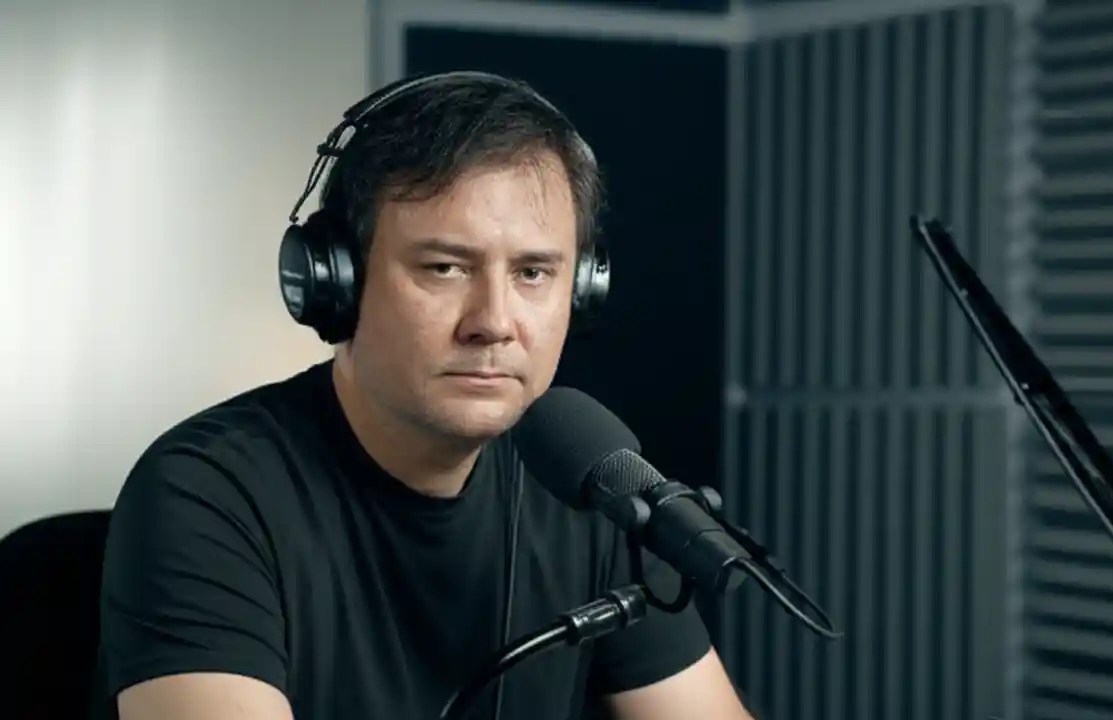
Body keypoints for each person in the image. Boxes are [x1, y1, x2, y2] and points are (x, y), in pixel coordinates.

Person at [92, 71, 752, 720]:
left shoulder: (592, 489)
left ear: (580, 291)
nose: (494, 322)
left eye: (532, 273)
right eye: (445, 267)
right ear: (336, 281)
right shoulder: (208, 492)